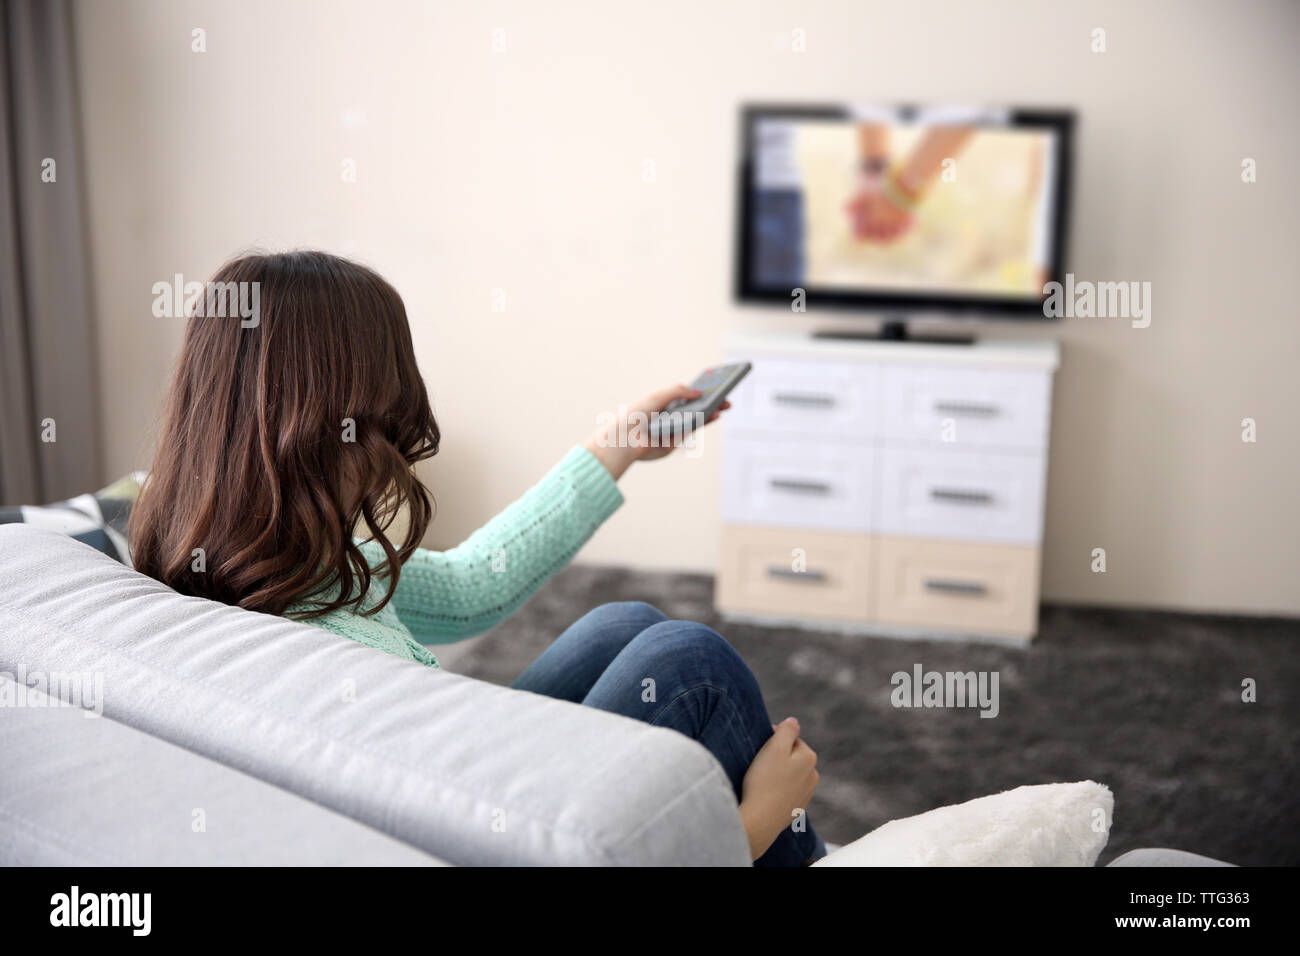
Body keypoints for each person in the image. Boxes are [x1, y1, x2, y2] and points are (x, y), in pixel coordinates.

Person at [130, 250, 826, 865]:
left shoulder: (260, 555)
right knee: (688, 663)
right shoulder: (324, 658)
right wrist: (755, 823)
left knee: (624, 624)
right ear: (324, 421)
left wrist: (619, 444)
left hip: (465, 769)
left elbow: (470, 586)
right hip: (489, 829)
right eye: (384, 402)